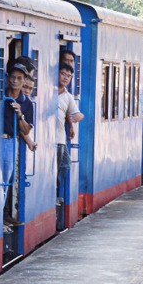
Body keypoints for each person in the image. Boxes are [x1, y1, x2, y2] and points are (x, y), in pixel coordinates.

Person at [2, 58, 35, 226]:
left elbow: (26, 130)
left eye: (19, 78)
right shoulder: (0, 95)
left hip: (9, 141)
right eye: (13, 77)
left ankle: (3, 215)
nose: (15, 81)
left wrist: (20, 114)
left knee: (6, 178)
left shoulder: (27, 103)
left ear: (24, 81)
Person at [57, 62, 83, 228]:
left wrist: (73, 119)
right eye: (63, 74)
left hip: (59, 140)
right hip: (48, 140)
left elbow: (79, 114)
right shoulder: (48, 90)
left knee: (63, 167)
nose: (65, 78)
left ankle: (56, 196)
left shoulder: (67, 96)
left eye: (69, 76)